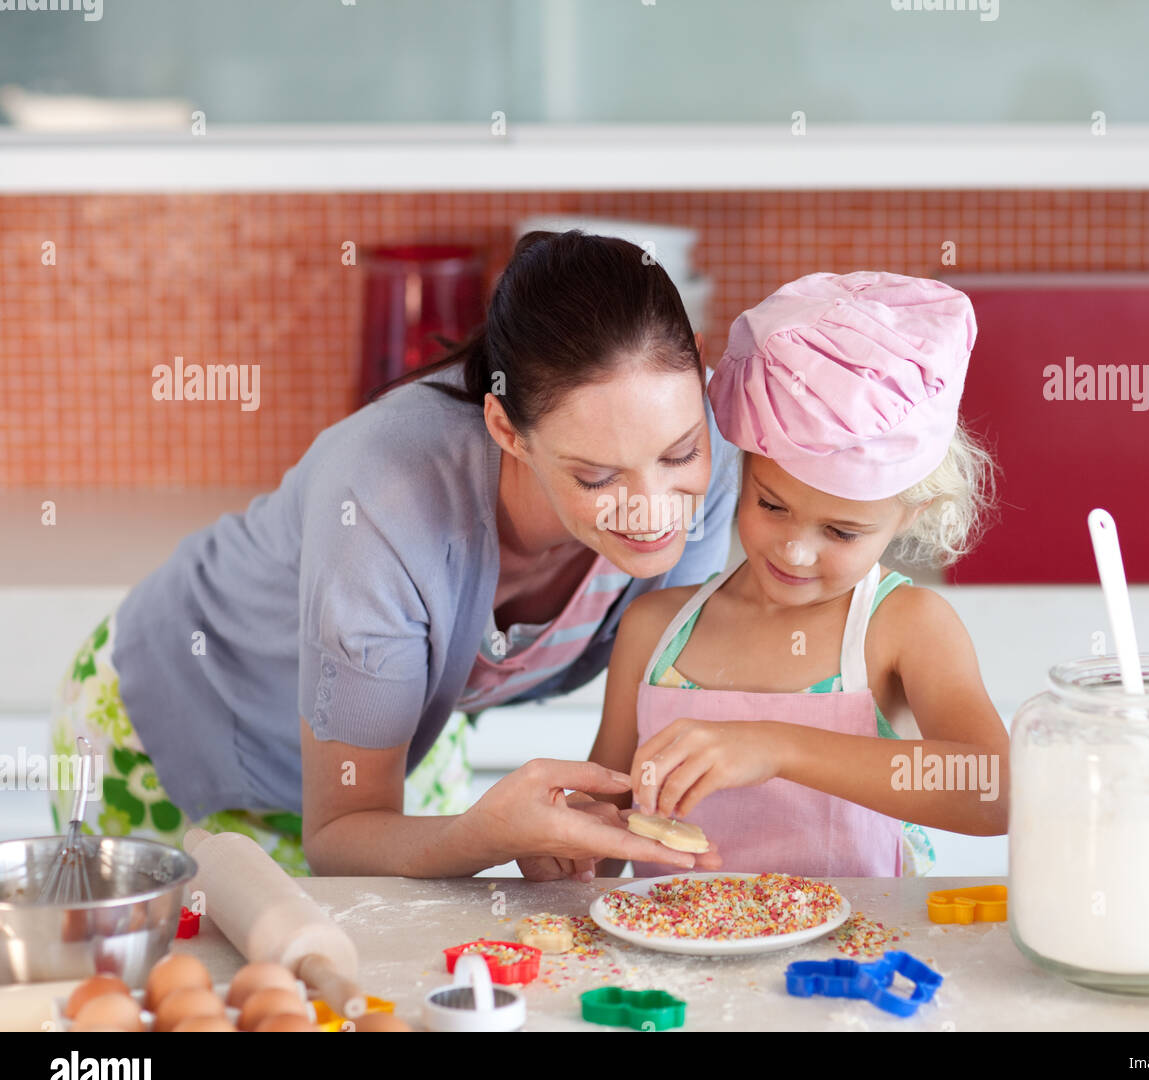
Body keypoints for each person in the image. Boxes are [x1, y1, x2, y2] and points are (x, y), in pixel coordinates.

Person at [48, 230, 738, 877]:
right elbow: (342, 836)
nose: (653, 504)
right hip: (177, 732)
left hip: (403, 748)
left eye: (679, 453)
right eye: (597, 476)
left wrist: (583, 830)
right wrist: (490, 834)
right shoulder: (384, 502)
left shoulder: (705, 451)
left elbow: (654, 690)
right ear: (507, 429)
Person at [580, 271, 1009, 879]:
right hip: (675, 966)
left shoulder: (902, 627)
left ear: (910, 515)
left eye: (841, 532)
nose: (795, 552)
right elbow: (604, 823)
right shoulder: (654, 630)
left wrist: (777, 746)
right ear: (742, 470)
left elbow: (995, 792)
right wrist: (566, 840)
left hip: (849, 965)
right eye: (771, 505)